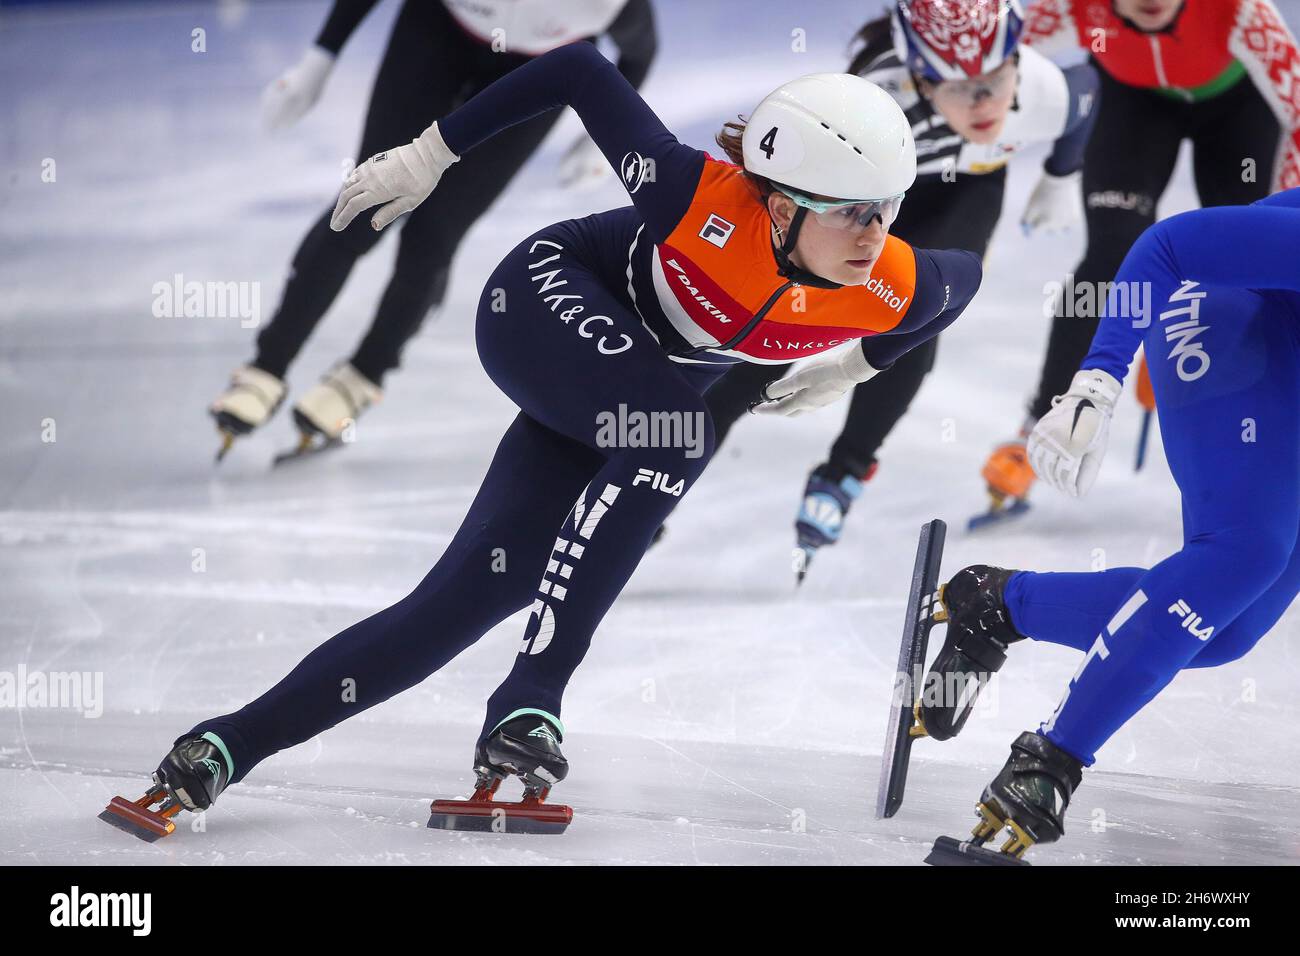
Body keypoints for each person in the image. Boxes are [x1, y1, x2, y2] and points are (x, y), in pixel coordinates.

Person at [129, 42, 983, 820]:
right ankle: (533, 695)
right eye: (849, 213)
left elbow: (966, 278)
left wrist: (854, 369)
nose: (875, 235)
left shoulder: (890, 281)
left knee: (462, 603)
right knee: (679, 435)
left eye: (887, 209)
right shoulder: (693, 194)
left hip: (631, 391)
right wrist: (431, 154)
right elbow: (581, 69)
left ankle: (226, 744)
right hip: (542, 304)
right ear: (778, 206)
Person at [917, 190, 1300, 858]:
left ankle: (997, 604)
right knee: (1247, 551)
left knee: (1225, 629)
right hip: (1221, 306)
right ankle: (1046, 765)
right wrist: (1096, 383)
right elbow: (1168, 246)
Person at [701, 0, 1098, 576]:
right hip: (862, 191)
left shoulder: (1041, 91)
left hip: (967, 188)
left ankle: (847, 468)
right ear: (917, 76)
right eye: (959, 87)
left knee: (915, 313)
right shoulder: (871, 102)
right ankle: (670, 461)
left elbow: (1085, 95)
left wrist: (1063, 175)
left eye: (993, 79)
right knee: (790, 313)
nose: (984, 103)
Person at [210, 0, 658, 459]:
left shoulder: (611, 6)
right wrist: (319, 58)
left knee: (434, 236)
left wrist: (598, 137)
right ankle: (268, 364)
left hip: (535, 73)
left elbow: (640, 51)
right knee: (364, 204)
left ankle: (366, 372)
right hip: (437, 31)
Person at [977, 0, 1300, 508]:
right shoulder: (1072, 8)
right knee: (1110, 257)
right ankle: (1041, 421)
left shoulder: (1240, 13)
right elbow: (975, 62)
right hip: (1134, 104)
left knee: (1248, 272)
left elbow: (1298, 107)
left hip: (1238, 111)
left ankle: (1258, 437)